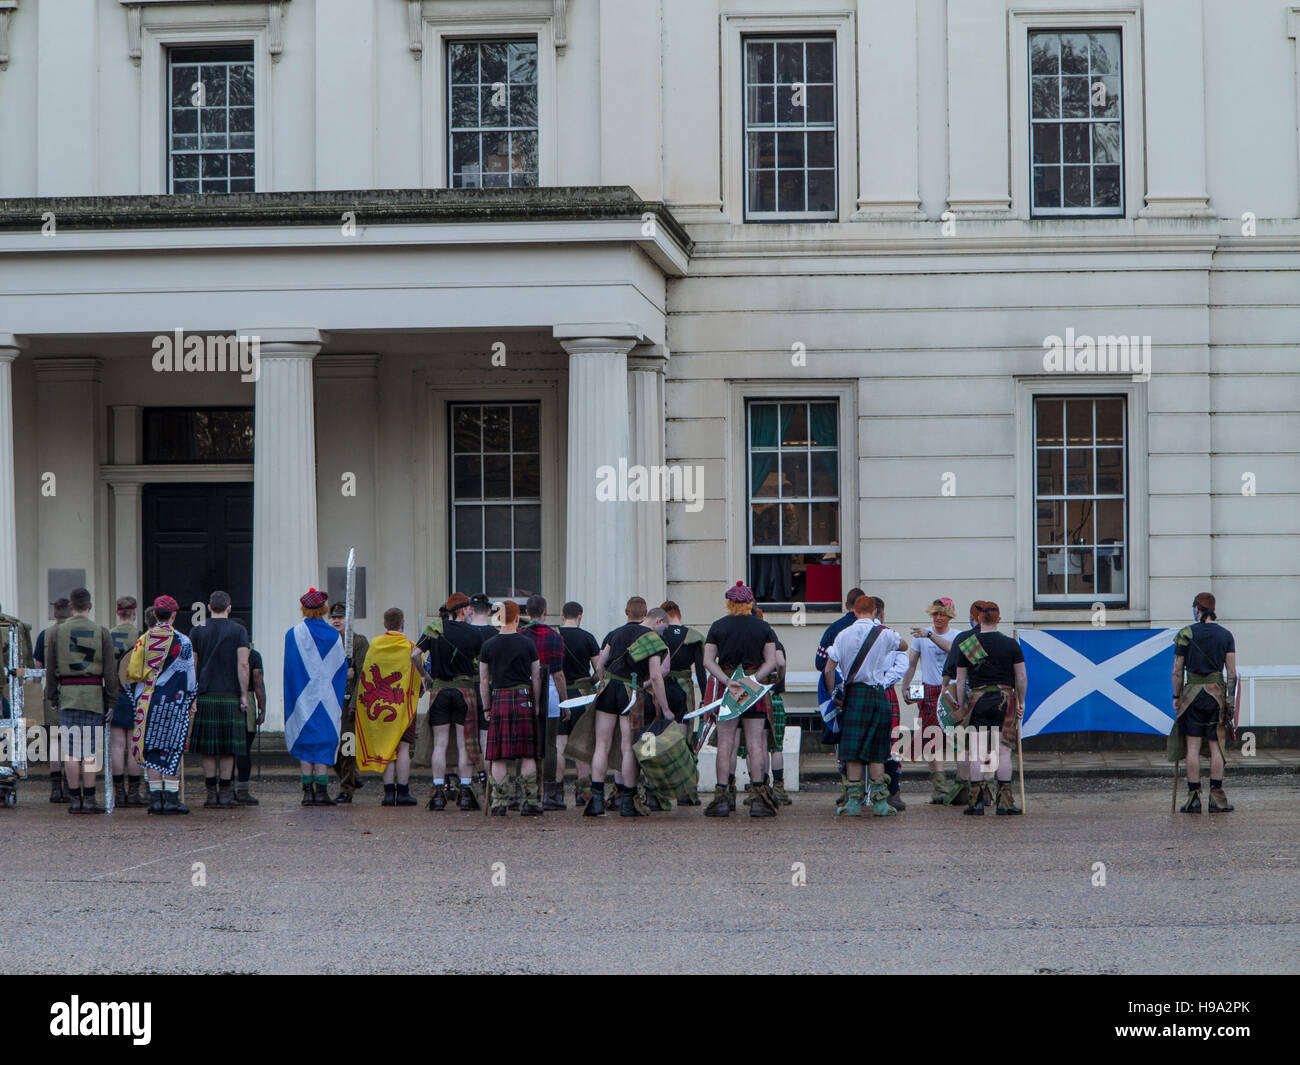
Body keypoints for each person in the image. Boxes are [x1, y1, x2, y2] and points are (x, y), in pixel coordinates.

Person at [823, 593, 908, 817]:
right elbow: (904, 646)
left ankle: (853, 804)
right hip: (878, 695)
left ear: (854, 611)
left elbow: (828, 669)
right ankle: (880, 804)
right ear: (875, 612)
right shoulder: (884, 634)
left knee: (852, 752)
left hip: (854, 695)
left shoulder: (843, 635)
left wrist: (834, 693)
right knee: (877, 751)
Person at [702, 582, 779, 818]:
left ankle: (723, 799)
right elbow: (772, 662)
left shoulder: (718, 626)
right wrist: (753, 680)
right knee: (756, 743)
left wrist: (726, 681)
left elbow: (707, 661)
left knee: (726, 744)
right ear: (749, 603)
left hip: (729, 691)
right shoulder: (763, 627)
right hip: (753, 691)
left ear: (729, 603)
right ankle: (759, 799)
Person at [43, 587, 119, 814]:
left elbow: (50, 666)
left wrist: (52, 695)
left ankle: (75, 799)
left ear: (70, 606)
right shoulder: (102, 631)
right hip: (93, 694)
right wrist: (112, 699)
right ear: (90, 605)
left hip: (68, 694)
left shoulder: (56, 632)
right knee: (90, 751)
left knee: (71, 751)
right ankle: (89, 797)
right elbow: (110, 671)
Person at [122, 596, 197, 815]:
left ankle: (156, 800)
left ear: (154, 614)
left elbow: (131, 675)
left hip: (147, 701)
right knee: (172, 747)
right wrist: (191, 698)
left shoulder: (143, 640)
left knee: (151, 748)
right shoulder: (182, 641)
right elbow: (189, 675)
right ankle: (172, 799)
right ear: (174, 615)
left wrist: (135, 699)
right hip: (173, 702)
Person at [412, 593, 486, 811]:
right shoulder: (475, 633)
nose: (471, 612)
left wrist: (424, 675)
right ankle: (465, 793)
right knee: (464, 745)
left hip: (440, 691)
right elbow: (482, 664)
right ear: (462, 610)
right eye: (469, 609)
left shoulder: (435, 628)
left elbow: (414, 655)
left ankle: (438, 794)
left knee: (440, 744)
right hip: (465, 692)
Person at [953, 601, 1026, 816]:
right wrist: (1021, 701)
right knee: (1003, 750)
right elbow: (1021, 677)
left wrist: (962, 704)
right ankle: (1004, 803)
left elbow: (959, 681)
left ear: (978, 619)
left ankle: (975, 803)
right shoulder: (1011, 645)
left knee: (976, 750)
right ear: (999, 620)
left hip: (978, 699)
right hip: (1006, 699)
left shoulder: (967, 645)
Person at [1170, 592, 1237, 814]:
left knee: (1193, 747)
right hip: (1216, 697)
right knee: (1216, 746)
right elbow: (1232, 674)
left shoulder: (1186, 633)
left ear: (1197, 609)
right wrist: (1229, 702)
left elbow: (1177, 670)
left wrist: (1177, 697)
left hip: (1192, 698)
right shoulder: (1226, 635)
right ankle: (1216, 798)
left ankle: (1194, 797)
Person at [478, 600, 542, 816]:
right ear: (517, 618)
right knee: (527, 754)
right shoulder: (527, 644)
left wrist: (486, 706)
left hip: (499, 699)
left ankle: (499, 803)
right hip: (524, 698)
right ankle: (530, 802)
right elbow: (536, 676)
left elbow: (484, 679)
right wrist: (537, 703)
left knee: (498, 756)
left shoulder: (488, 645)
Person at [285, 588, 348, 807]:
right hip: (327, 699)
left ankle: (307, 792)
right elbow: (340, 668)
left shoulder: (292, 634)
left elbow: (290, 670)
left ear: (303, 608)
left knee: (304, 741)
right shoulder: (333, 635)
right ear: (324, 609)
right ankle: (321, 792)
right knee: (324, 741)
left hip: (302, 699)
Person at [188, 590, 250, 810]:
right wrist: (243, 693)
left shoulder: (197, 630)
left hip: (205, 694)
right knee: (227, 747)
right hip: (230, 694)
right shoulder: (239, 630)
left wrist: (192, 694)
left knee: (208, 748)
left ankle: (210, 794)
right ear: (229, 608)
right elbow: (243, 664)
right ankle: (225, 793)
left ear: (209, 607)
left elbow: (192, 666)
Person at [356, 607, 420, 807]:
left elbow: (365, 674)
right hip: (403, 706)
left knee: (386, 747)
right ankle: (402, 792)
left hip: (380, 706)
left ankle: (387, 793)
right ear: (402, 623)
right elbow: (419, 676)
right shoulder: (410, 647)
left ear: (385, 624)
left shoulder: (375, 645)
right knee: (403, 749)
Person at [900, 598, 959, 803]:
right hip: (930, 690)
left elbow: (953, 650)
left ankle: (964, 784)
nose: (938, 618)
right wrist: (905, 687)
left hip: (952, 691)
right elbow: (911, 664)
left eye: (942, 614)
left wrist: (930, 635)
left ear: (950, 615)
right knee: (933, 741)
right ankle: (940, 789)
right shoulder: (920, 637)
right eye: (935, 614)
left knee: (960, 739)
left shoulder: (957, 635)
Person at [815, 588, 865, 807]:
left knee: (845, 742)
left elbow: (820, 663)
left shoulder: (834, 629)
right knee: (869, 740)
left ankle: (848, 789)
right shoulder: (877, 629)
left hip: (839, 690)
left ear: (847, 604)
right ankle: (873, 790)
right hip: (867, 690)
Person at [520, 596, 568, 810]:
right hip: (549, 690)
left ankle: (521, 792)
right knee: (550, 744)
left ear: (527, 611)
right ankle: (549, 794)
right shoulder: (554, 636)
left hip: (524, 690)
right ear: (545, 612)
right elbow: (558, 673)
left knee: (523, 744)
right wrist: (565, 700)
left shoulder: (520, 635)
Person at [659, 600, 708, 805]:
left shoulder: (657, 634)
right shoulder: (695, 637)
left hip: (660, 688)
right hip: (684, 689)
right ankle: (685, 793)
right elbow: (700, 670)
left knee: (659, 738)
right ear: (679, 614)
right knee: (683, 740)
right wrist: (706, 698)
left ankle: (657, 794)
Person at [558, 601, 600, 806]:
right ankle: (583, 792)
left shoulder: (554, 637)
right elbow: (599, 670)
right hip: (582, 695)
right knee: (582, 746)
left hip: (559, 694)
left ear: (562, 616)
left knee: (560, 743)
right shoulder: (587, 637)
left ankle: (555, 793)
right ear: (580, 616)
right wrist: (591, 681)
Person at [327, 602, 369, 804]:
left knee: (348, 746)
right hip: (329, 701)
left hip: (348, 702)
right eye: (334, 617)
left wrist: (354, 703)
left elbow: (363, 675)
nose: (336, 620)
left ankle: (346, 788)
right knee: (331, 747)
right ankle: (353, 777)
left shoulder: (359, 642)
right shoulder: (326, 642)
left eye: (341, 617)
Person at [107, 596, 144, 808]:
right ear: (134, 611)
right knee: (133, 745)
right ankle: (134, 792)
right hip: (135, 693)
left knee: (117, 744)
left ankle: (119, 792)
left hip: (115, 692)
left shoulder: (108, 635)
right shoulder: (141, 636)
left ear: (117, 610)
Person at [35, 597, 72, 803]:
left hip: (52, 688)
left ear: (54, 614)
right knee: (73, 737)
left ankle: (56, 787)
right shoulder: (74, 631)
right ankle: (71, 784)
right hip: (74, 687)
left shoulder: (44, 634)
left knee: (55, 738)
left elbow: (38, 665)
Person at [233, 637, 266, 804]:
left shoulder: (225, 651)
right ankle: (243, 791)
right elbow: (258, 682)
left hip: (227, 699)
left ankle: (226, 789)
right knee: (244, 749)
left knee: (228, 750)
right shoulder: (253, 655)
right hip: (249, 703)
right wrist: (263, 708)